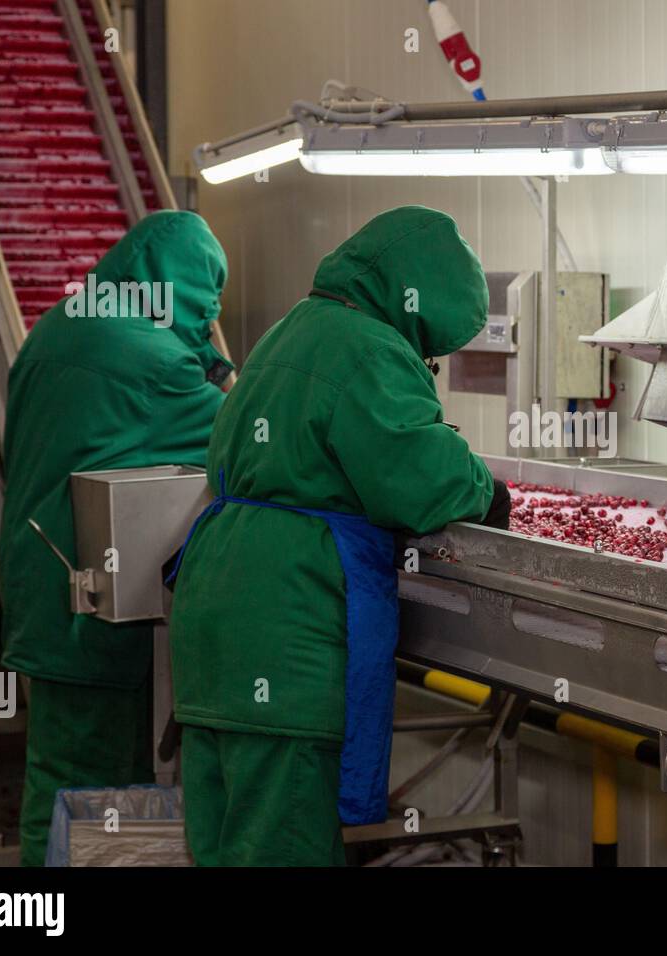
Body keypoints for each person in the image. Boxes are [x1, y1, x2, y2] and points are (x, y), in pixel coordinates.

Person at [167, 205, 510, 866]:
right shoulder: (369, 349)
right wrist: (487, 490)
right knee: (284, 839)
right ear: (416, 307)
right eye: (433, 342)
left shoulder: (294, 328)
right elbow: (420, 477)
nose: (431, 357)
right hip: (286, 630)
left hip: (218, 625)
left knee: (224, 843)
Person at [0, 210, 232, 866]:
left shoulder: (62, 326)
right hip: (96, 617)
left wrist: (202, 359)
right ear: (179, 285)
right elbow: (240, 436)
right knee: (105, 794)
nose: (210, 311)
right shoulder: (151, 361)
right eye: (207, 295)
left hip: (42, 584)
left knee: (56, 777)